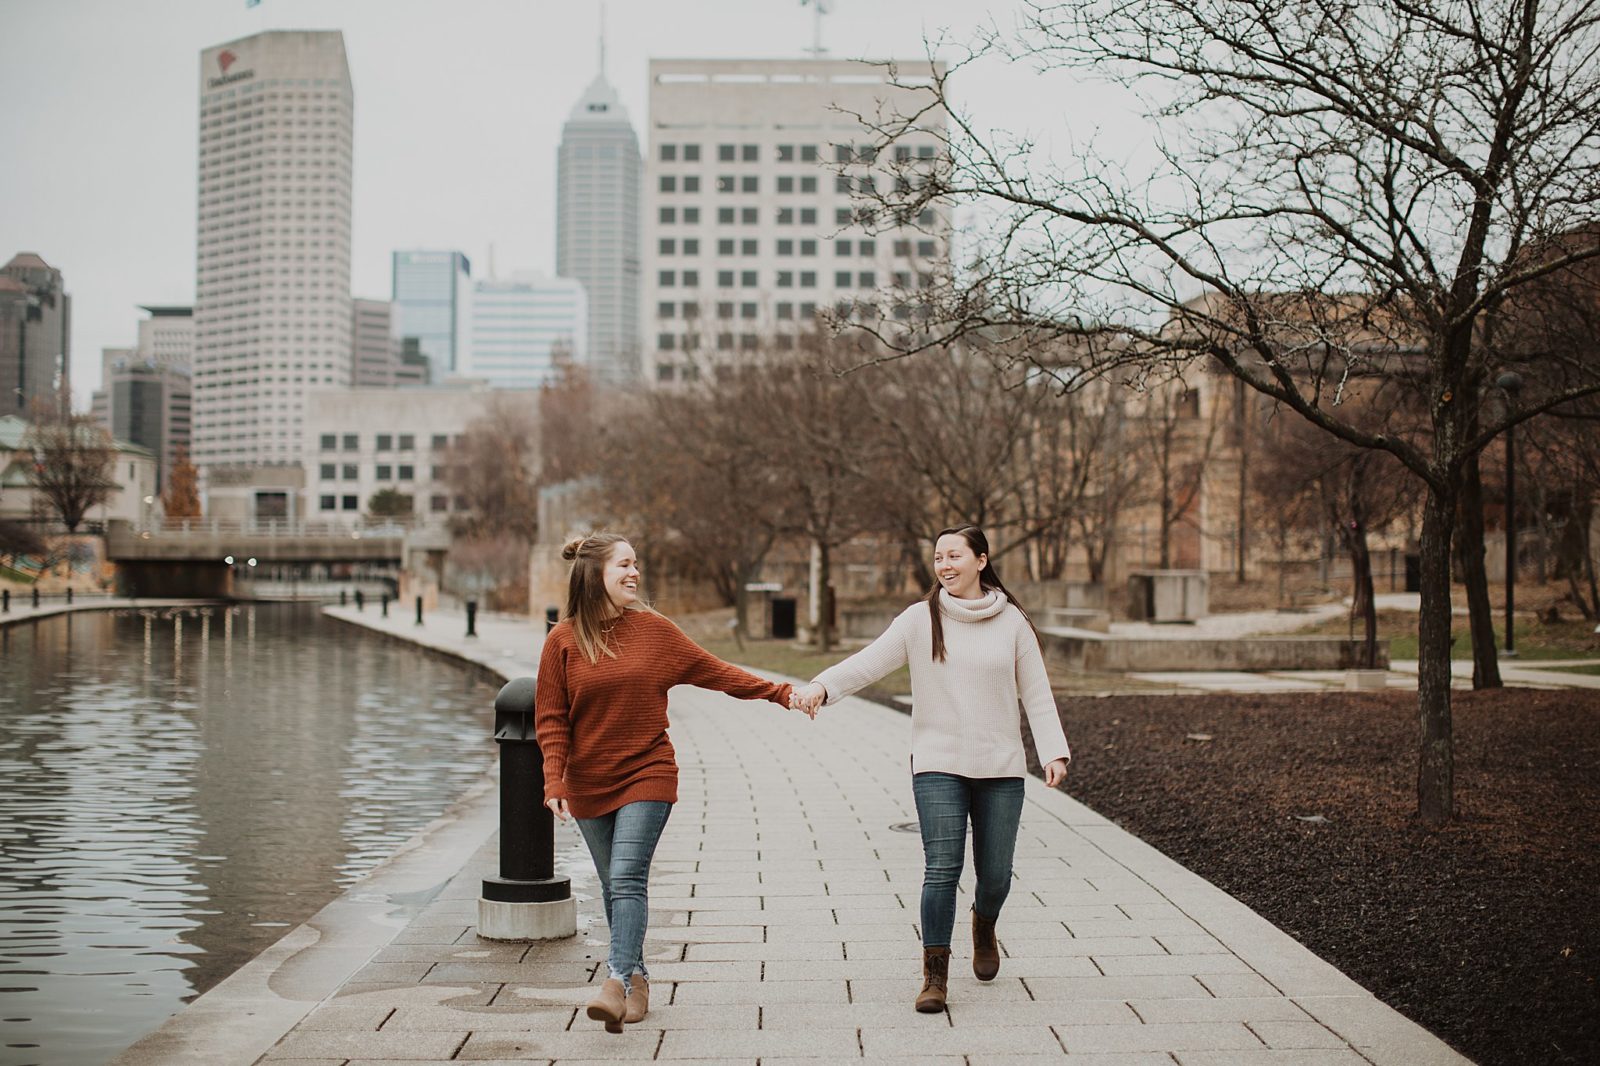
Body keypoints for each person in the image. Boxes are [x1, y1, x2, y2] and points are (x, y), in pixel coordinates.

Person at [535, 532, 814, 1032]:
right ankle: (639, 978)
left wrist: (783, 693)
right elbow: (551, 718)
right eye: (624, 564)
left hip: (648, 771)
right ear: (594, 573)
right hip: (588, 783)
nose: (634, 573)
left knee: (626, 879)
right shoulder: (562, 640)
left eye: (636, 564)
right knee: (613, 886)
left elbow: (717, 672)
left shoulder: (654, 632)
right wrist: (554, 781)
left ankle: (615, 979)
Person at [791, 524, 1071, 1013]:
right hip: (938, 762)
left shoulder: (1012, 623)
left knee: (997, 875)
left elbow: (1037, 692)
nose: (944, 565)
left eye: (954, 556)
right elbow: (867, 663)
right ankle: (935, 975)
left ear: (981, 560)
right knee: (942, 868)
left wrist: (1053, 750)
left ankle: (984, 922)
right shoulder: (920, 619)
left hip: (1001, 767)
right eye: (938, 557)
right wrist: (821, 687)